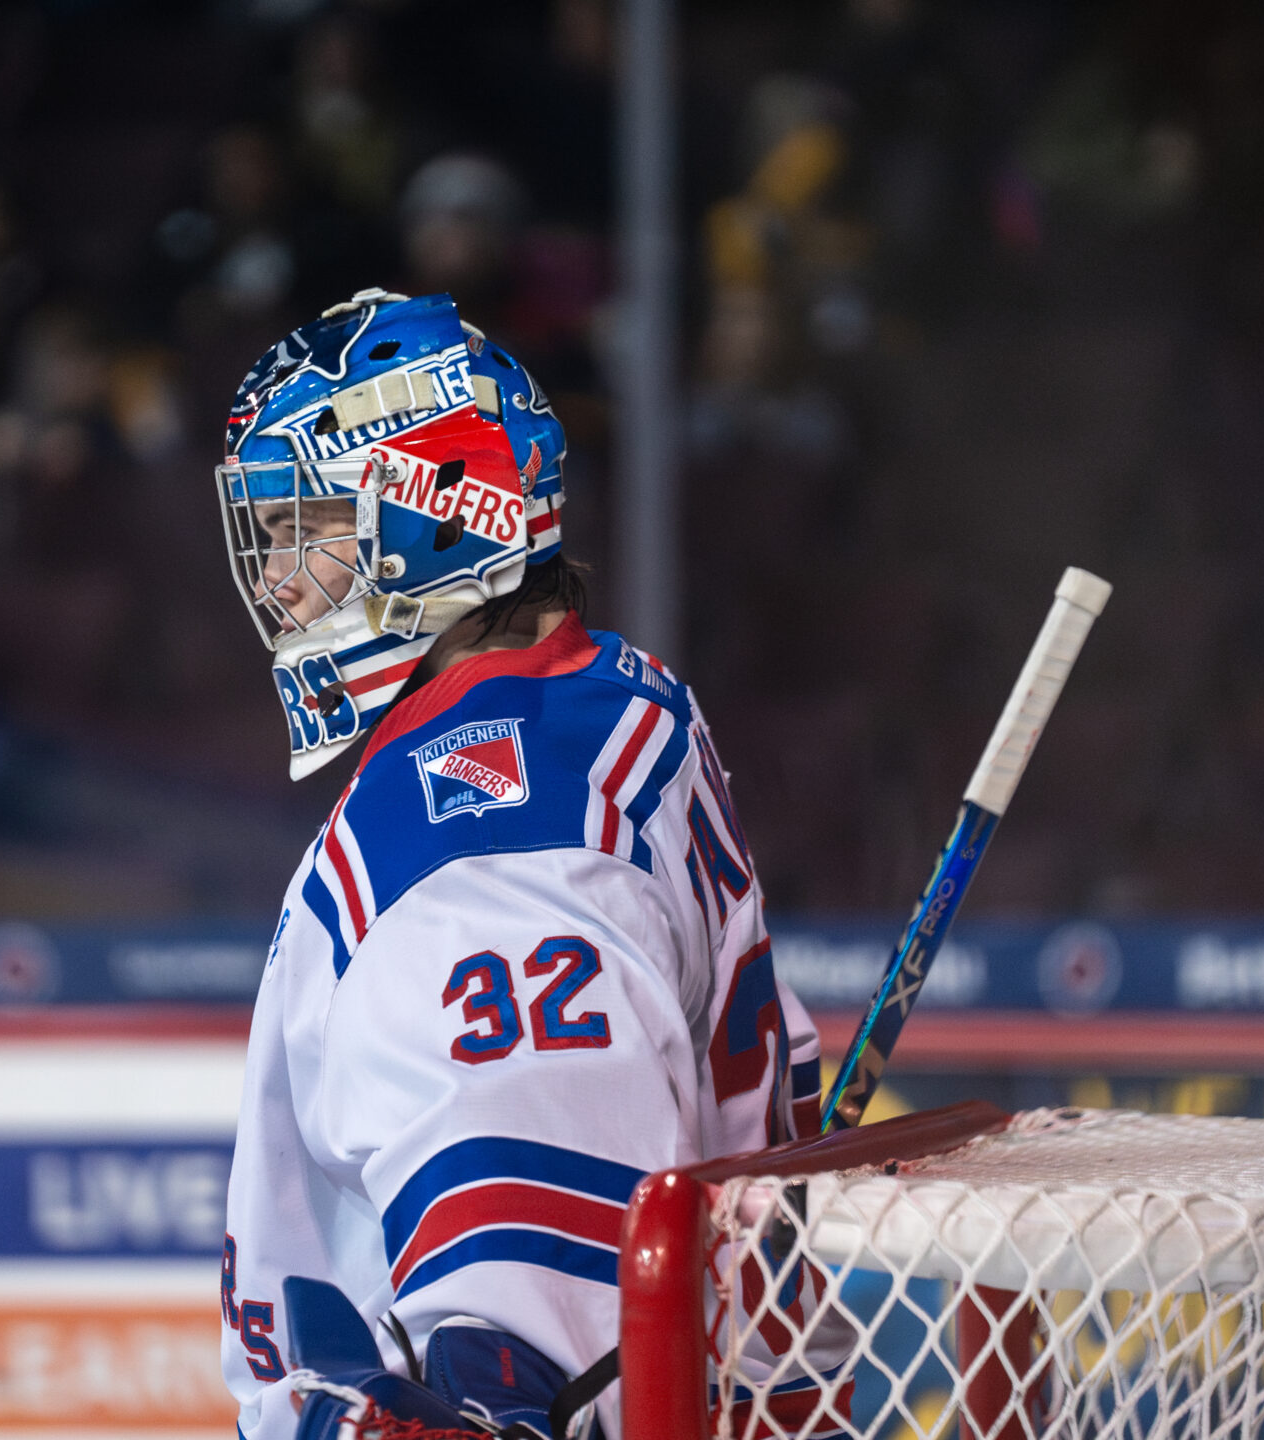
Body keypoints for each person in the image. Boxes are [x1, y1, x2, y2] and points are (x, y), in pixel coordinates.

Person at [214, 291, 821, 1437]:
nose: (283, 584)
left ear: (433, 513)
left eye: (311, 529)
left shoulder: (470, 841)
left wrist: (489, 1399)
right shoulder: (620, 703)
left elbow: (527, 1338)